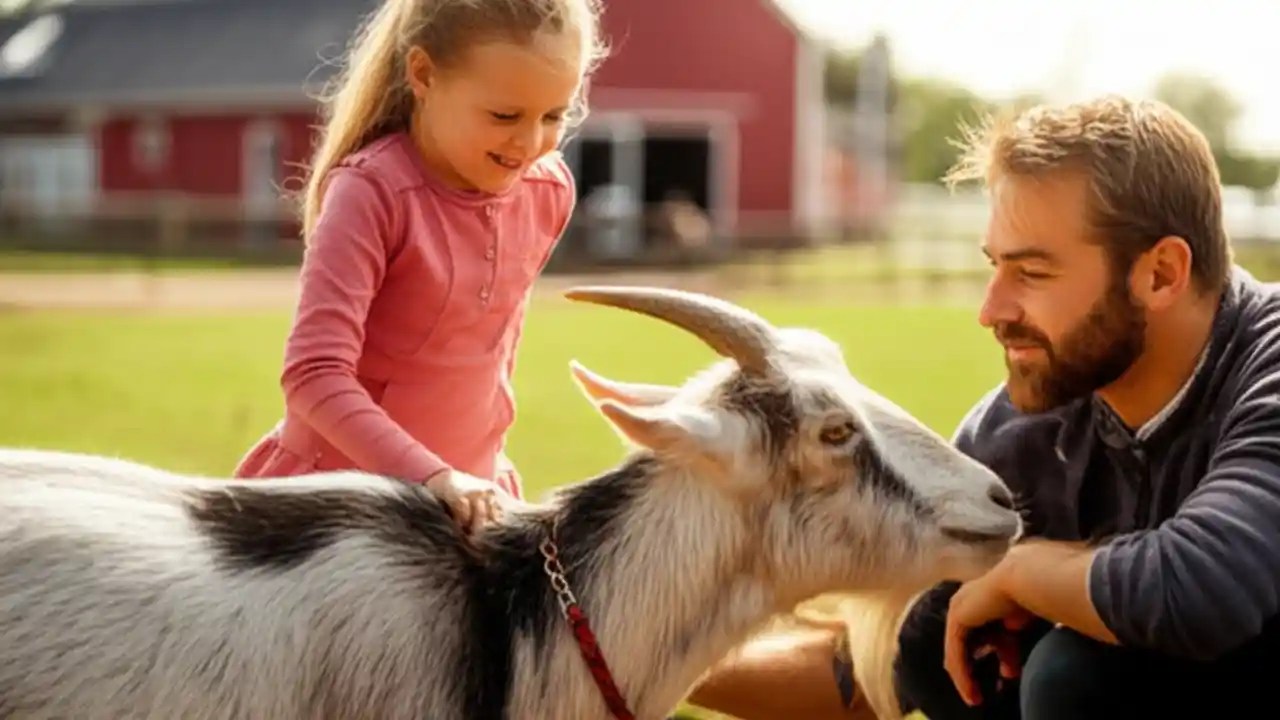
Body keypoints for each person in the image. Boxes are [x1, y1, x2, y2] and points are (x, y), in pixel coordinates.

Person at [682, 95, 1280, 719]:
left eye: (1032, 273)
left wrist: (1021, 571)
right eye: (996, 267)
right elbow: (867, 673)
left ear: (1159, 274)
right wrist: (623, 644)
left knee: (1072, 676)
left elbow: (1208, 587)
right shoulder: (1021, 435)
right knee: (939, 641)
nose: (991, 311)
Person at [234, 0, 607, 534]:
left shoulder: (548, 191)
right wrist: (433, 475)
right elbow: (313, 376)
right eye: (504, 116)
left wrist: (480, 472)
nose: (530, 145)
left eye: (554, 116)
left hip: (467, 505)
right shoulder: (371, 192)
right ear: (424, 74)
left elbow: (493, 356)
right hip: (335, 511)